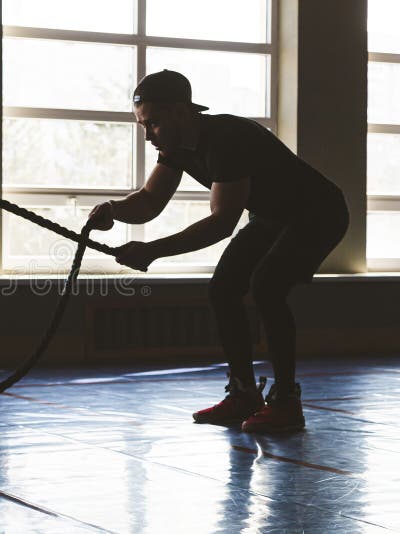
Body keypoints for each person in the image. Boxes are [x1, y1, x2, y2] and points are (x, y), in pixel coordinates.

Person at [87, 70, 349, 433]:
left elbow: (222, 222)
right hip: (273, 216)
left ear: (181, 112)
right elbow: (148, 201)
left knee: (267, 287)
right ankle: (243, 393)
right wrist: (113, 210)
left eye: (154, 124)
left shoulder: (228, 139)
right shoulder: (175, 147)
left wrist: (152, 251)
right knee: (223, 289)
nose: (148, 135)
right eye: (143, 125)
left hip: (319, 214)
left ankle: (287, 401)